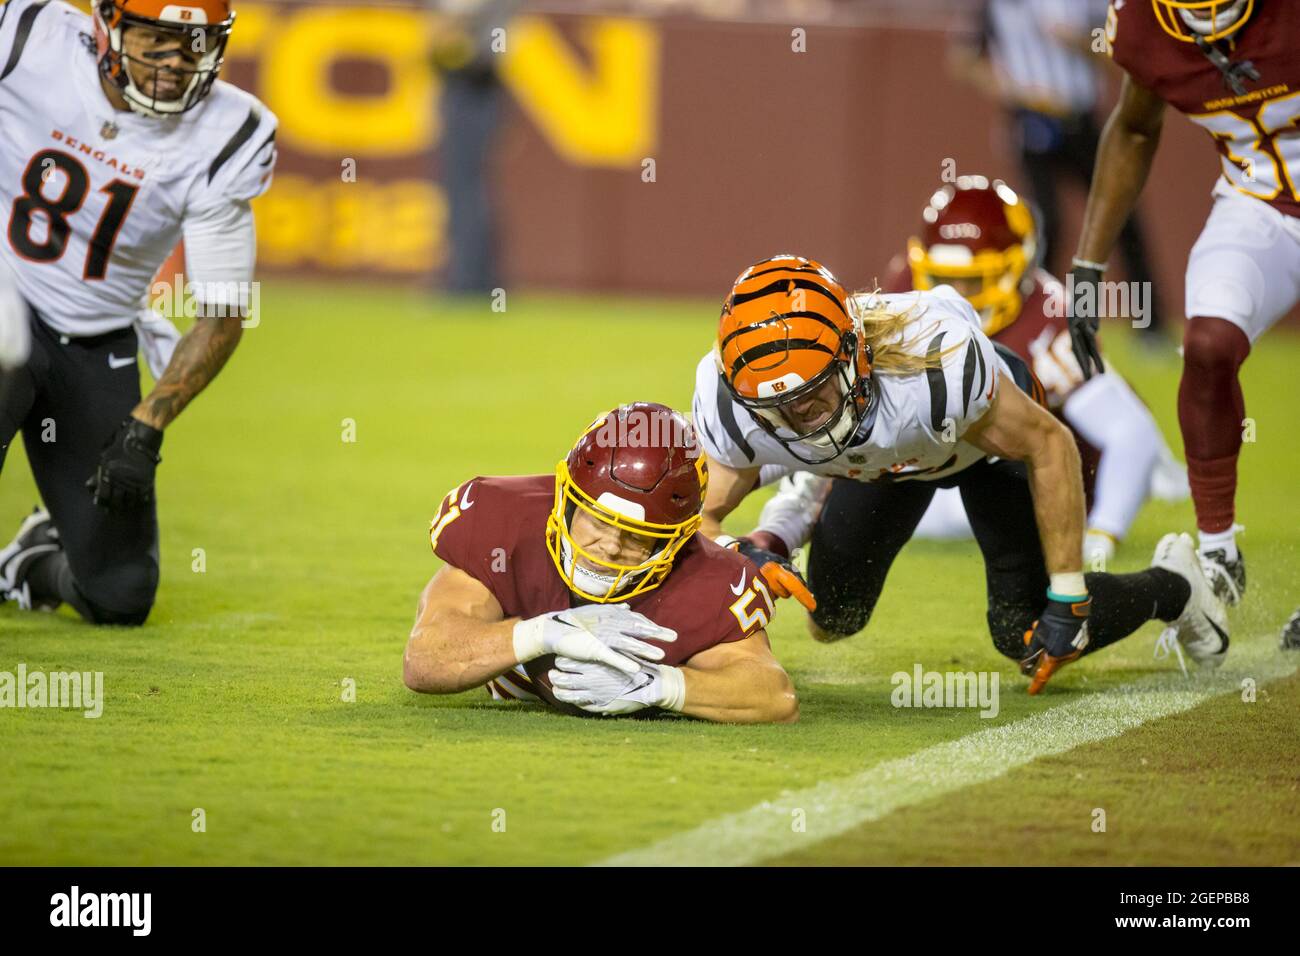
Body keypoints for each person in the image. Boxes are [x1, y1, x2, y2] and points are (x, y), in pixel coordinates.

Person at [693, 255, 1227, 694]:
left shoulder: (937, 367)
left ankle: (1175, 586)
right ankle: (797, 504)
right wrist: (746, 552)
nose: (801, 415)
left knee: (1028, 635)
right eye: (780, 405)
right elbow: (703, 518)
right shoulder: (733, 403)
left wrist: (1068, 593)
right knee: (832, 616)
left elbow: (1050, 444)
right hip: (884, 463)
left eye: (814, 392)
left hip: (977, 448)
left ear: (855, 355)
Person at [0, 0, 277, 624]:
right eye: (157, 38)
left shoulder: (229, 132)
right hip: (5, 299)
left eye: (194, 43)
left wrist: (148, 425)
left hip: (96, 339)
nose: (177, 61)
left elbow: (222, 311)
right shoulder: (27, 38)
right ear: (106, 25)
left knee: (120, 596)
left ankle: (29, 562)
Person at [1069, 0, 1300, 607]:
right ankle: (1219, 551)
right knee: (1207, 344)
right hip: (1262, 203)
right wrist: (1089, 266)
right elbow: (1136, 126)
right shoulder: (1146, 22)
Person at [403, 402, 799, 723]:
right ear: (566, 501)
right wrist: (541, 633)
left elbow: (774, 695)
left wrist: (661, 685)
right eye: (597, 519)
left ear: (680, 538)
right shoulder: (503, 521)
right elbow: (424, 659)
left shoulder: (708, 579)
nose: (609, 546)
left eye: (639, 536)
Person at [951, 0, 1162, 335]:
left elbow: (1114, 44)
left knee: (1120, 215)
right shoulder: (997, 5)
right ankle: (1036, 322)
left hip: (1081, 119)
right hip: (1031, 119)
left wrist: (1077, 39)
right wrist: (1014, 90)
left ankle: (1150, 325)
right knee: (1045, 223)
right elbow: (965, 59)